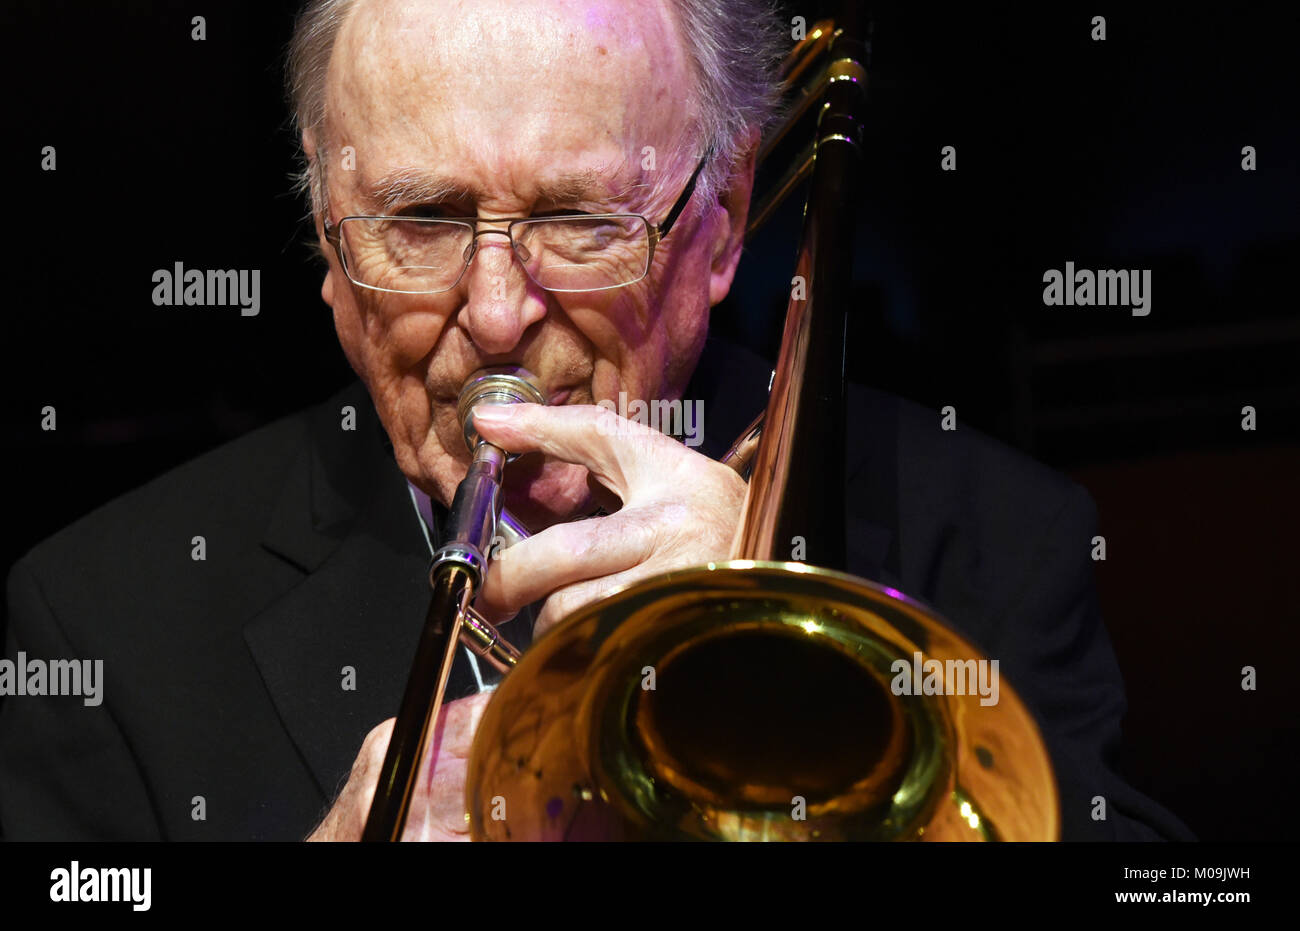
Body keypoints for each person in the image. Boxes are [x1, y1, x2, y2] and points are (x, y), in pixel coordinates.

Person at [0, 0, 1192, 842]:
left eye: (579, 219)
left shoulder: (995, 539)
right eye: (418, 220)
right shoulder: (97, 617)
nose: (499, 314)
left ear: (722, 225)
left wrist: (790, 637)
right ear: (327, 234)